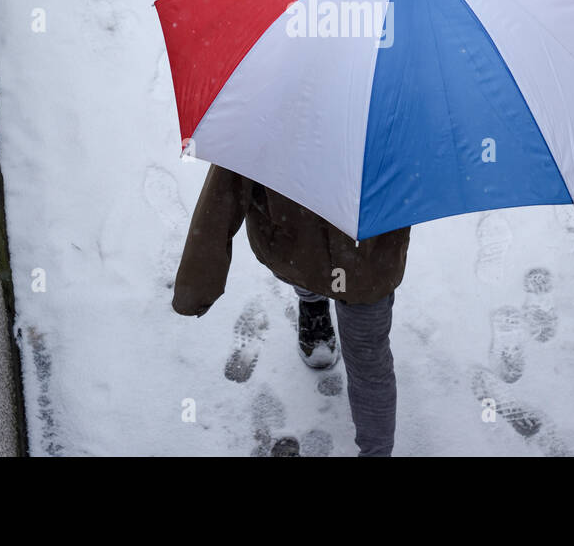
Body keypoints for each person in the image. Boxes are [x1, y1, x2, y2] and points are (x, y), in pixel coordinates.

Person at [171, 163, 411, 456]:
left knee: (369, 362)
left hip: (369, 258)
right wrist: (197, 284)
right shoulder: (264, 116)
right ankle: (312, 305)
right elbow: (226, 186)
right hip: (296, 240)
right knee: (307, 274)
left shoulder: (397, 118)